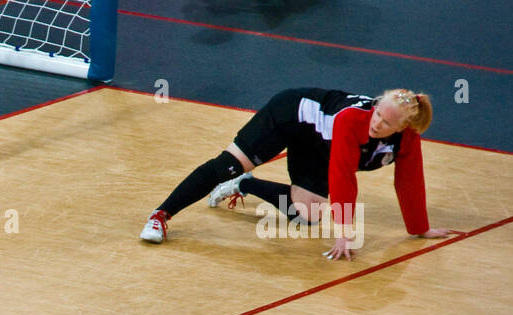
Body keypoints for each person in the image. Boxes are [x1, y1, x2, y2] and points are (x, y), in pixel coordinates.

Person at [139, 87, 457, 259]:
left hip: (318, 145)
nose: (377, 123)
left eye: (386, 123)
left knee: (308, 213)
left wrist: (419, 228)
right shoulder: (351, 121)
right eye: (377, 113)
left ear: (403, 128)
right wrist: (344, 233)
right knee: (228, 164)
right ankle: (161, 215)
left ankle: (245, 185)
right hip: (290, 116)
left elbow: (409, 180)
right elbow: (343, 175)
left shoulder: (407, 140)